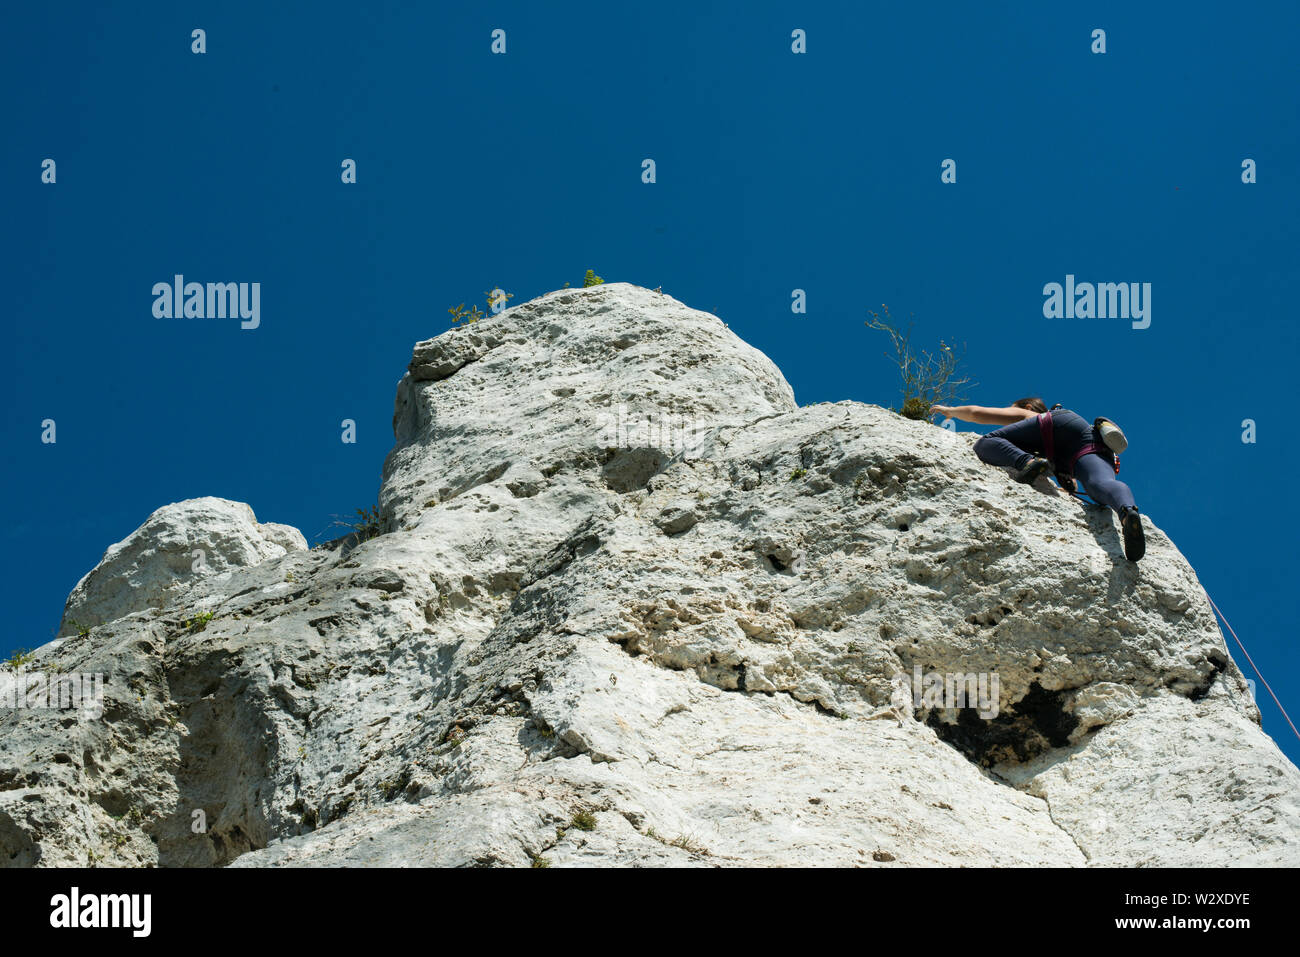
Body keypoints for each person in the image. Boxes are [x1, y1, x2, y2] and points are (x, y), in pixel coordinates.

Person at [930, 397, 1145, 562]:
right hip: (1091, 443)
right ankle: (1127, 512)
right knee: (1100, 486)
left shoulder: (1029, 413)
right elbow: (1073, 487)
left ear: (1029, 408)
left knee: (986, 443)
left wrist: (952, 411)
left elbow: (978, 413)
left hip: (1056, 427)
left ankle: (1025, 461)